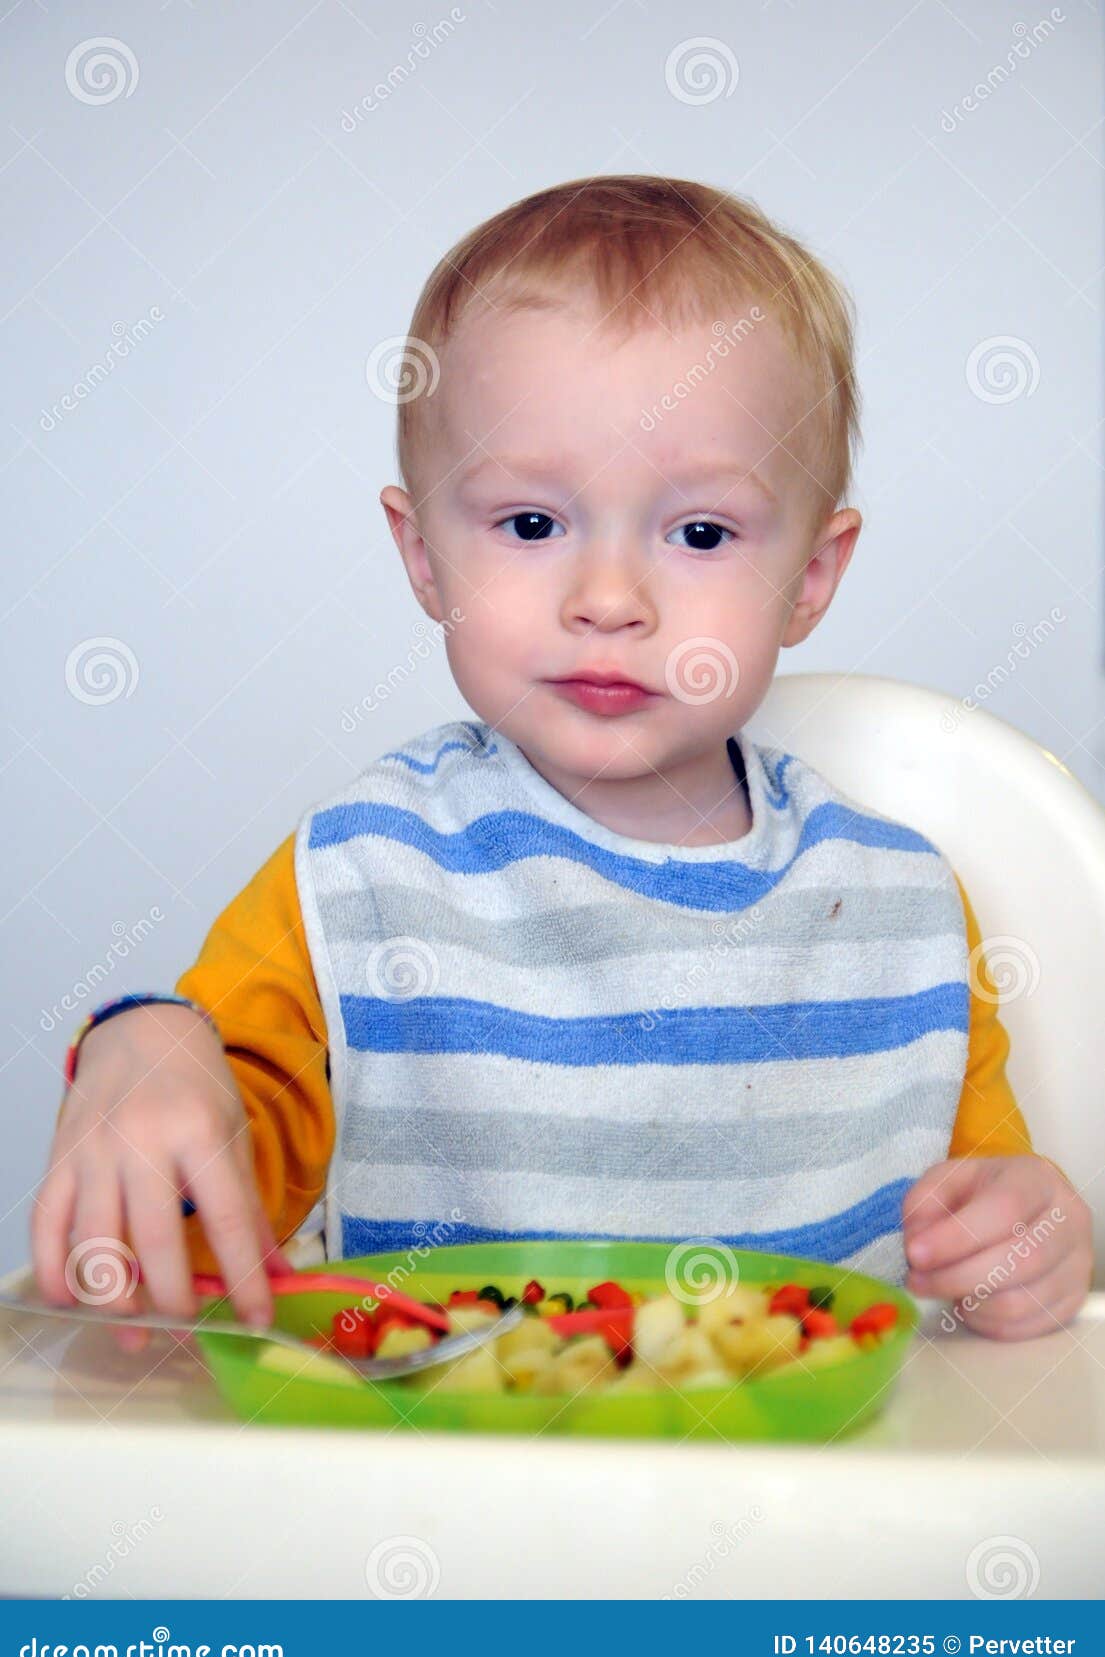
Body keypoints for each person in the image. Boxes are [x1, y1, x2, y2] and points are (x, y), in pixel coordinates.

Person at [33, 175, 1092, 1345]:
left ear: (810, 577)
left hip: (810, 1511)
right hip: (443, 1511)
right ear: (424, 556)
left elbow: (993, 1262)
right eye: (530, 524)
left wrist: (1030, 1241)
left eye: (699, 533)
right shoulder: (363, 876)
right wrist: (149, 1049)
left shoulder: (897, 907)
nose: (607, 600)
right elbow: (187, 1234)